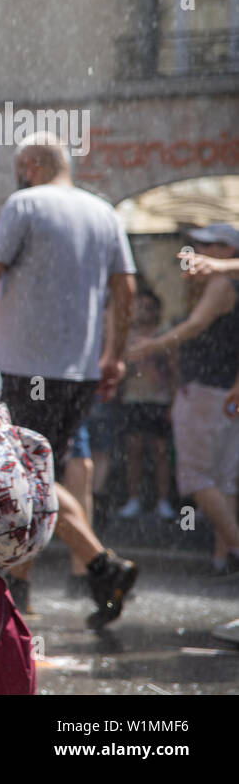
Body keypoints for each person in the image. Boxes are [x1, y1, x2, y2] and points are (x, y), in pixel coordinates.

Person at [0, 132, 137, 625]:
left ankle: (101, 565)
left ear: (31, 164)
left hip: (27, 365)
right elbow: (126, 289)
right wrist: (114, 355)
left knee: (26, 475)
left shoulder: (25, 204)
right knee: (40, 475)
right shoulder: (104, 212)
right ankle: (23, 586)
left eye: (19, 166)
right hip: (78, 369)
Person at [126, 224, 239, 576]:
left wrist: (151, 345)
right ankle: (224, 560)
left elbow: (194, 327)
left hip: (206, 391)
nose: (197, 251)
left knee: (195, 478)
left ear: (227, 252)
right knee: (225, 479)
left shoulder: (223, 284)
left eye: (207, 246)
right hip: (225, 392)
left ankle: (235, 548)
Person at [117, 287, 175, 521]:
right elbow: (121, 368)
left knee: (161, 451)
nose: (144, 312)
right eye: (140, 306)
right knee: (134, 449)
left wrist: (174, 400)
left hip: (160, 400)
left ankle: (163, 501)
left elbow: (174, 369)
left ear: (157, 310)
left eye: (149, 307)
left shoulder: (165, 335)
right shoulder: (127, 335)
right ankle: (134, 499)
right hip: (133, 399)